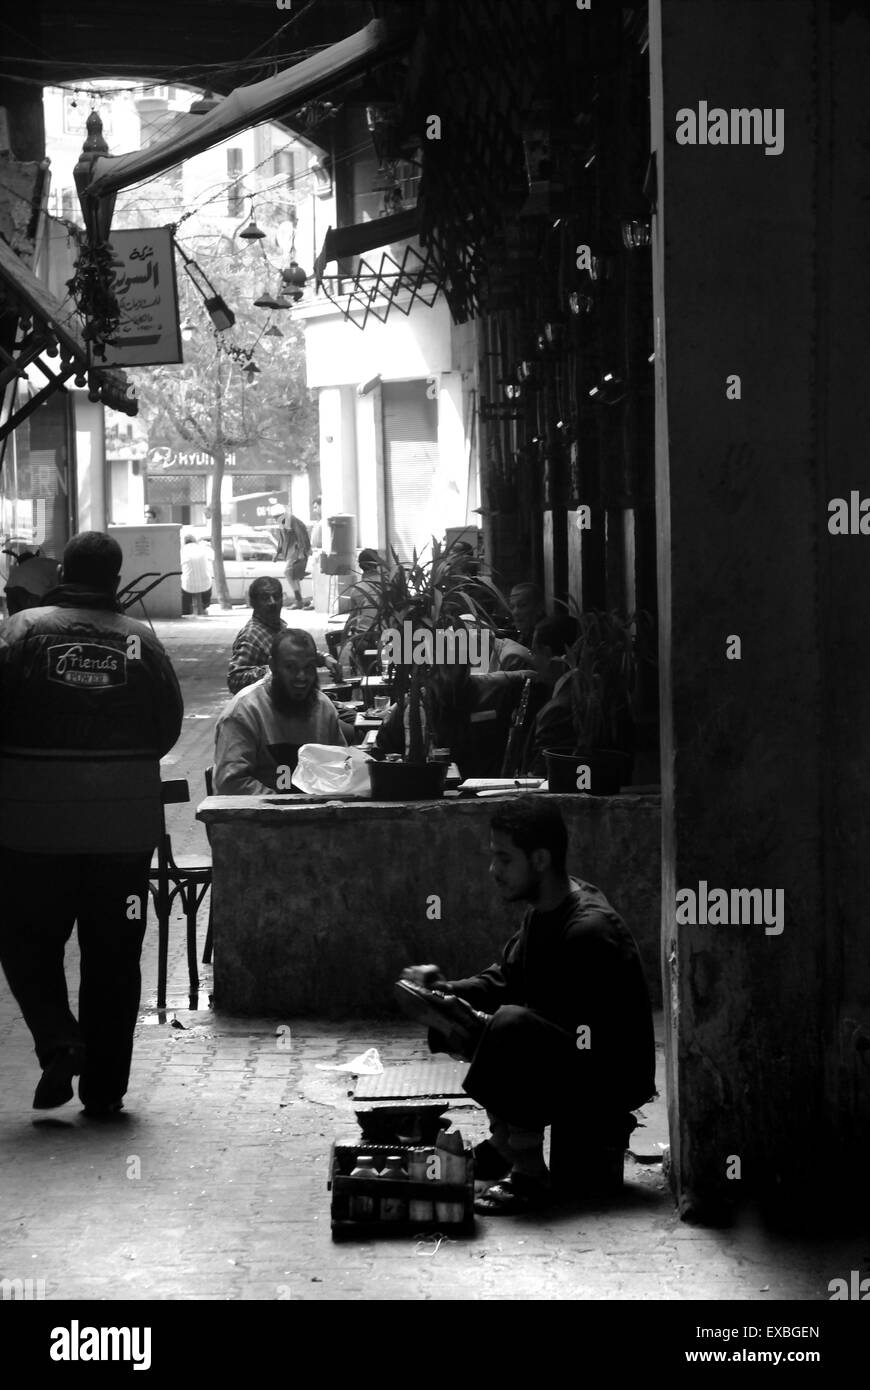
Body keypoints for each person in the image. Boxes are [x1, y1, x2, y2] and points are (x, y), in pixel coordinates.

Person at [0, 531, 184, 1116]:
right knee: (113, 952)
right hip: (123, 834)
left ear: (62, 570)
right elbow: (167, 729)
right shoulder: (142, 644)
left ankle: (59, 1039)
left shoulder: (21, 632)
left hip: (33, 828)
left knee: (25, 938)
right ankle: (104, 1089)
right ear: (114, 576)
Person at [399, 797, 656, 1214]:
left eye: (504, 858)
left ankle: (527, 1172)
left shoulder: (588, 930)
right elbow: (506, 977)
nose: (493, 870)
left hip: (611, 1076)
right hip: (572, 1052)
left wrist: (479, 1026)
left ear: (539, 859)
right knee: (494, 1024)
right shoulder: (544, 910)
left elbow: (565, 1033)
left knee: (507, 1028)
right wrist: (446, 991)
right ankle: (506, 1147)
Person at [214, 628, 346, 794]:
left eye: (309, 667)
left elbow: (340, 769)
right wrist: (282, 805)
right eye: (291, 667)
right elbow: (230, 783)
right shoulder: (243, 712)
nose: (301, 676)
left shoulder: (324, 708)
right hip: (259, 816)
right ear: (273, 666)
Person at [374, 652, 534, 778]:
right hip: (427, 790)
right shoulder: (411, 707)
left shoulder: (495, 688)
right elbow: (379, 757)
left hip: (482, 793)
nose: (447, 675)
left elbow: (537, 677)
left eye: (454, 665)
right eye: (442, 666)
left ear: (468, 666)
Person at [227, 576, 341, 696]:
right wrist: (273, 670)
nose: (272, 602)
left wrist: (324, 658)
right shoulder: (251, 636)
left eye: (276, 597)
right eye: (265, 598)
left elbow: (295, 653)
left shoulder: (276, 627)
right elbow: (234, 680)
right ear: (253, 602)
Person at [490, 581, 547, 672]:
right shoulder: (522, 634)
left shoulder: (543, 635)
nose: (515, 612)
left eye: (522, 605)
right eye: (512, 607)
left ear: (539, 608)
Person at [279, 510, 312, 610]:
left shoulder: (293, 523)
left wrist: (302, 552)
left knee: (288, 573)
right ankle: (299, 601)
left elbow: (301, 538)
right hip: (296, 552)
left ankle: (299, 600)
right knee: (294, 576)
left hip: (299, 553)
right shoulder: (291, 522)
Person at [180, 532, 213, 616]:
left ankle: (186, 609)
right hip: (206, 586)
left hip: (188, 586)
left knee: (183, 583)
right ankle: (205, 605)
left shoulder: (182, 551)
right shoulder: (203, 548)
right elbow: (212, 557)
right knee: (209, 579)